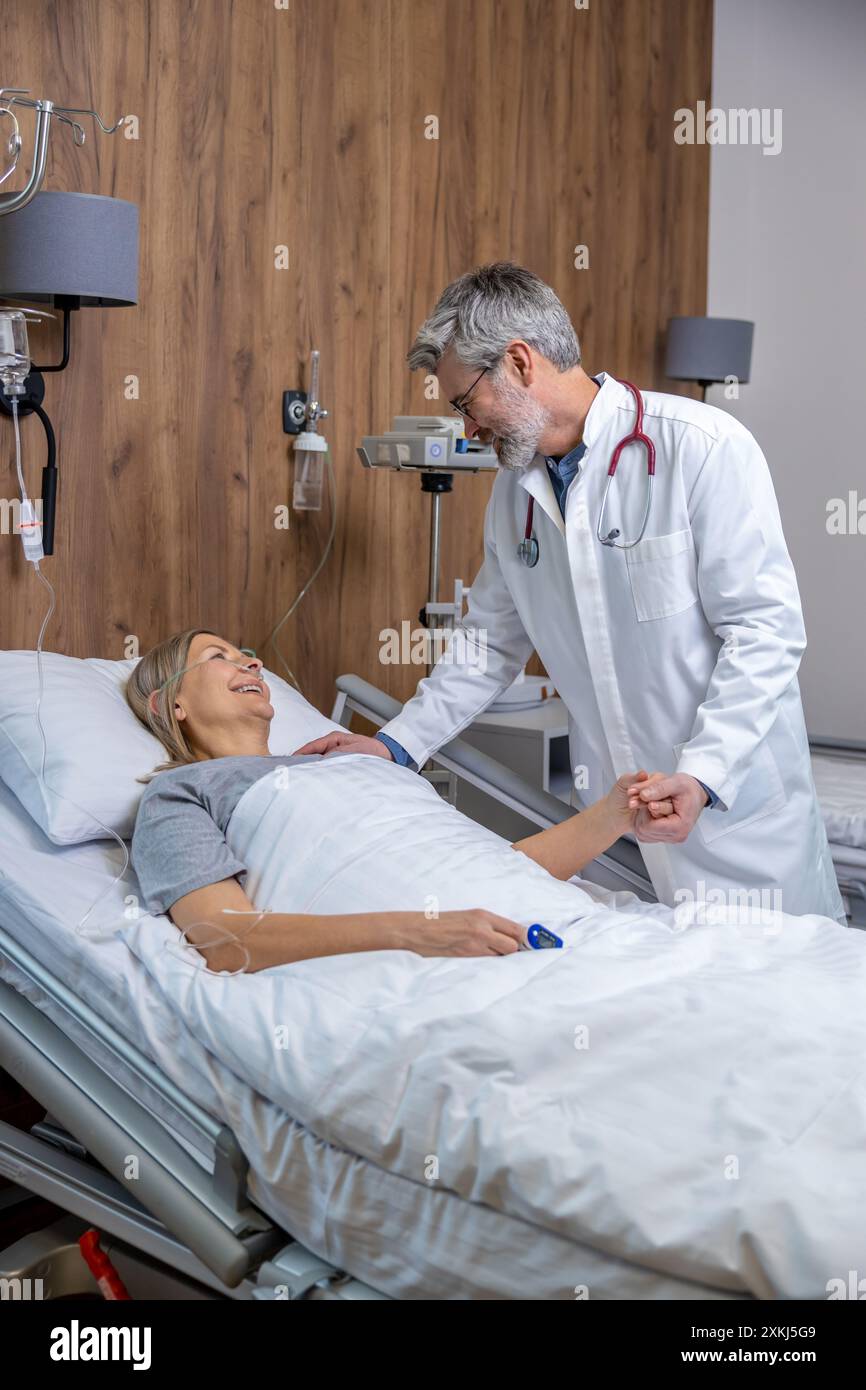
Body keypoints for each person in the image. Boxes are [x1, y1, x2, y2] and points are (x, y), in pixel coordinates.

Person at [297, 262, 843, 923]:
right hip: (620, 823)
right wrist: (397, 744)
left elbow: (763, 631)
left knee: (785, 980)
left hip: (739, 822)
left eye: (465, 402)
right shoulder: (514, 496)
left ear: (518, 362)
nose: (469, 430)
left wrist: (704, 772)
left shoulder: (701, 447)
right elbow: (488, 646)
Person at [125, 629, 671, 973]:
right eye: (219, 656)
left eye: (247, 655)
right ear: (170, 702)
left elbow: (496, 869)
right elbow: (226, 939)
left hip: (568, 928)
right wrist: (424, 931)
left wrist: (612, 815)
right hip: (451, 961)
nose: (253, 664)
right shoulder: (180, 795)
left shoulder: (349, 759)